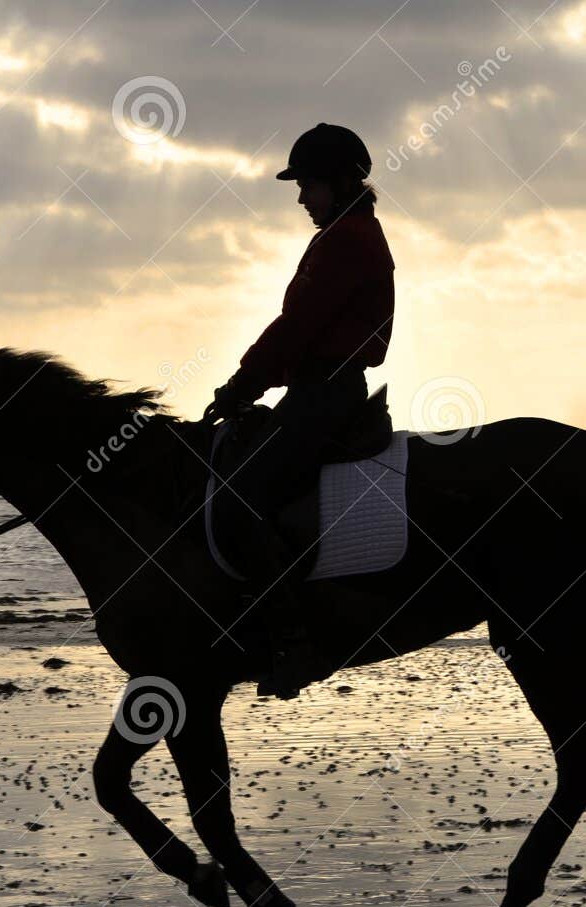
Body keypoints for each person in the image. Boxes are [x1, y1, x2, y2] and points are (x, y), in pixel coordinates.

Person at [208, 122, 396, 699]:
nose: (300, 196)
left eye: (307, 184)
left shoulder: (346, 239)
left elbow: (298, 326)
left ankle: (293, 644)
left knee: (239, 506)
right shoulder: (345, 231)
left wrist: (243, 383)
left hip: (324, 395)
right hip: (315, 390)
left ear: (338, 183)